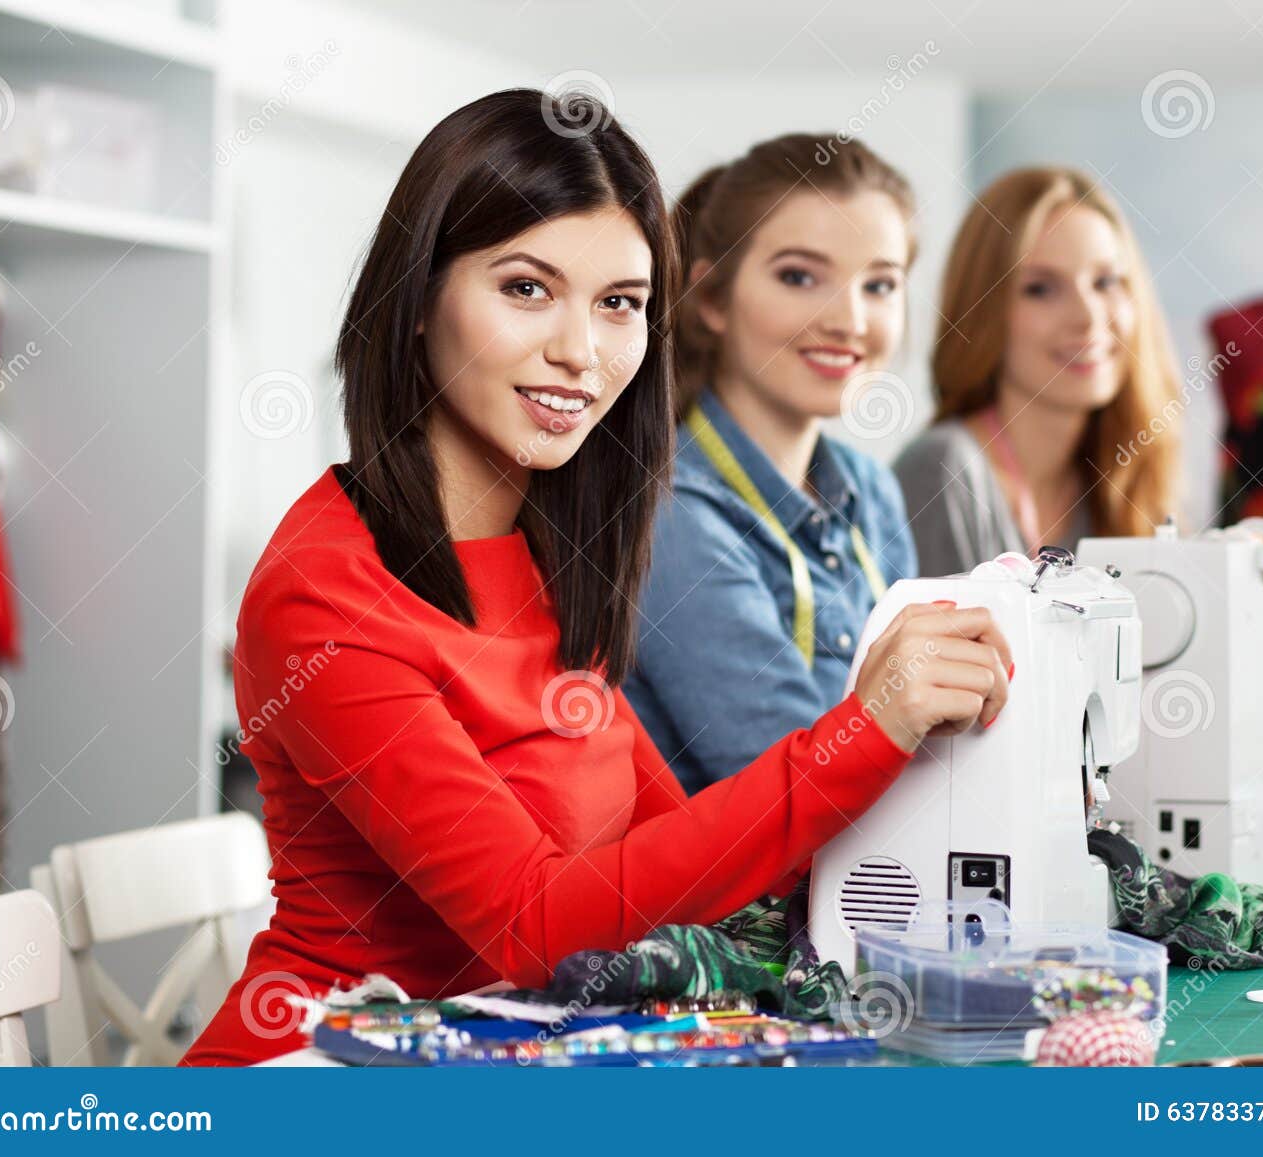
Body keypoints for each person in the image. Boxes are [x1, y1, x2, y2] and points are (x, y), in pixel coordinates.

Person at [179, 90, 1009, 1067]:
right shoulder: (324, 591)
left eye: (618, 303)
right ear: (414, 302)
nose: (580, 350)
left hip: (509, 1049)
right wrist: (867, 725)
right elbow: (531, 919)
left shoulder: (547, 545)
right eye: (526, 288)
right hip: (326, 1069)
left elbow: (671, 849)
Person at [624, 135, 919, 794]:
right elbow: (808, 789)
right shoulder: (670, 511)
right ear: (711, 299)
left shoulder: (870, 490)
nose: (849, 319)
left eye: (880, 284)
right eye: (799, 276)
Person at [894, 167, 1182, 575]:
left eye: (1105, 282)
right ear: (982, 313)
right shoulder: (944, 471)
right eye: (1041, 289)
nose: (1088, 316)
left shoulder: (1123, 479)